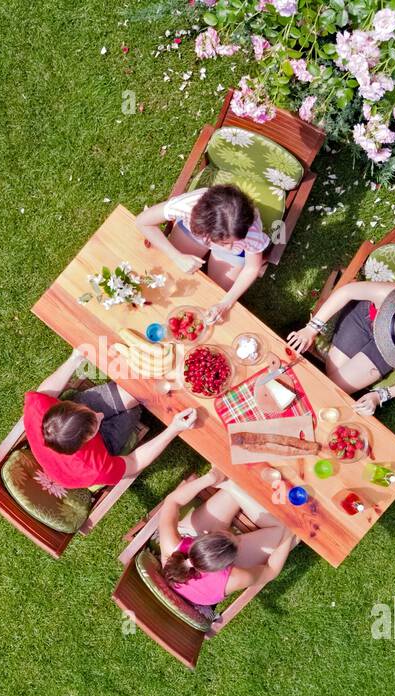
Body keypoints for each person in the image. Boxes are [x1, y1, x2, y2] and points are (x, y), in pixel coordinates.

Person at [22, 348, 197, 490]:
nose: (101, 415)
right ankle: (131, 409)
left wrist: (75, 359)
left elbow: (44, 393)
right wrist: (174, 429)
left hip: (75, 426)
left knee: (135, 388)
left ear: (66, 406)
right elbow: (134, 462)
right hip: (106, 444)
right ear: (88, 439)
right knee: (140, 399)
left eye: (90, 412)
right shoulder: (95, 469)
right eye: (97, 422)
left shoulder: (40, 411)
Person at [287, 281, 395, 416]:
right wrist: (311, 329)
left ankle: (295, 403)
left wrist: (380, 396)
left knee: (335, 386)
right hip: (363, 320)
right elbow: (347, 291)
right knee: (331, 368)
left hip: (383, 352)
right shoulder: (391, 294)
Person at [157, 470, 297, 608]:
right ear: (228, 564)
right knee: (281, 529)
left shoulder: (171, 547)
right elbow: (271, 571)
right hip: (213, 584)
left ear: (203, 536)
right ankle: (232, 486)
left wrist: (209, 479)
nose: (239, 538)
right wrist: (290, 534)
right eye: (236, 541)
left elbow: (172, 501)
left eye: (229, 534)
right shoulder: (233, 578)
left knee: (236, 481)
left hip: (195, 537)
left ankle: (230, 484)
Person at [136, 184, 269, 325]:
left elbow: (252, 267)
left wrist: (225, 303)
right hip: (193, 233)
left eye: (232, 242)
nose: (229, 247)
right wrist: (176, 256)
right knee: (172, 274)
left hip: (236, 247)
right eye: (224, 243)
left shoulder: (250, 232)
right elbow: (142, 222)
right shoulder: (188, 206)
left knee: (211, 294)